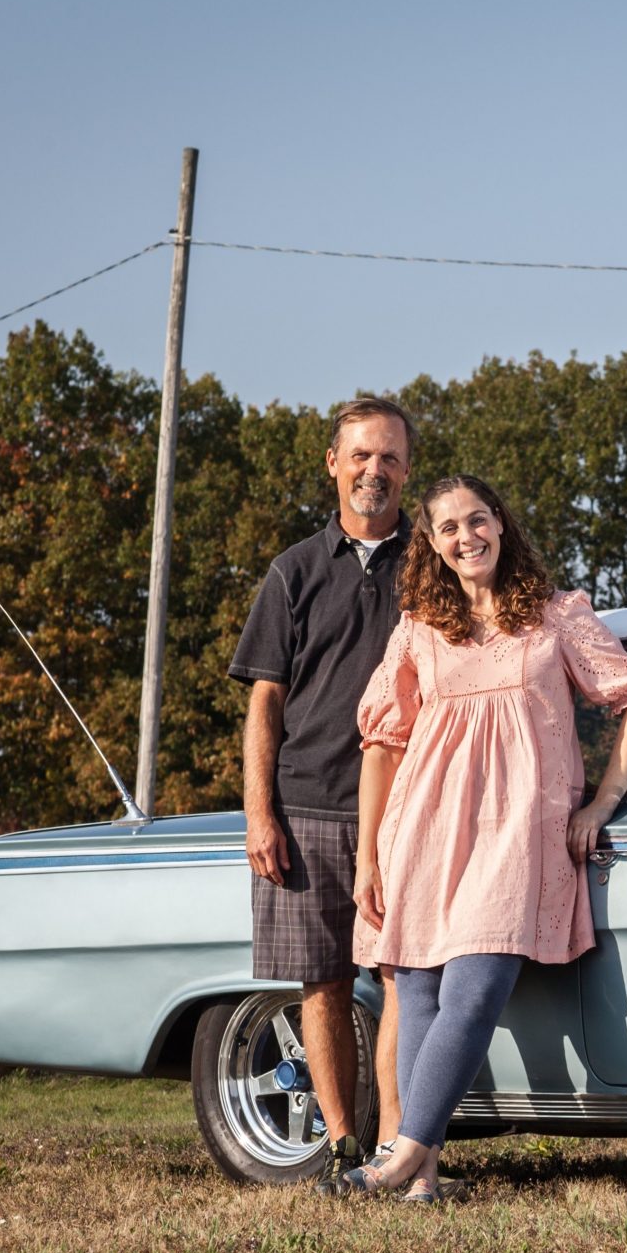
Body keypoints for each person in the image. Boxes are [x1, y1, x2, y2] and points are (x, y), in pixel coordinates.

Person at [340, 474, 627, 1201]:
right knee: (417, 989)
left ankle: (397, 1158)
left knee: (475, 993)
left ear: (501, 524)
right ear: (433, 543)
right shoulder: (420, 626)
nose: (466, 536)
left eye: (477, 519)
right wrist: (368, 856)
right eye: (448, 527)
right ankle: (421, 1178)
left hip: (519, 831)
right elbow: (383, 744)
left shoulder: (557, 618)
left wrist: (600, 803)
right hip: (422, 827)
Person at [229, 396, 414, 1188]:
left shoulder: (434, 569)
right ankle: (342, 1146)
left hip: (411, 811)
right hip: (306, 810)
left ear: (408, 471)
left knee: (409, 980)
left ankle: (399, 1151)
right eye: (362, 456)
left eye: (392, 458)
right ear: (333, 464)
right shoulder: (292, 572)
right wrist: (260, 812)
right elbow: (265, 703)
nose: (376, 470)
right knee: (325, 984)